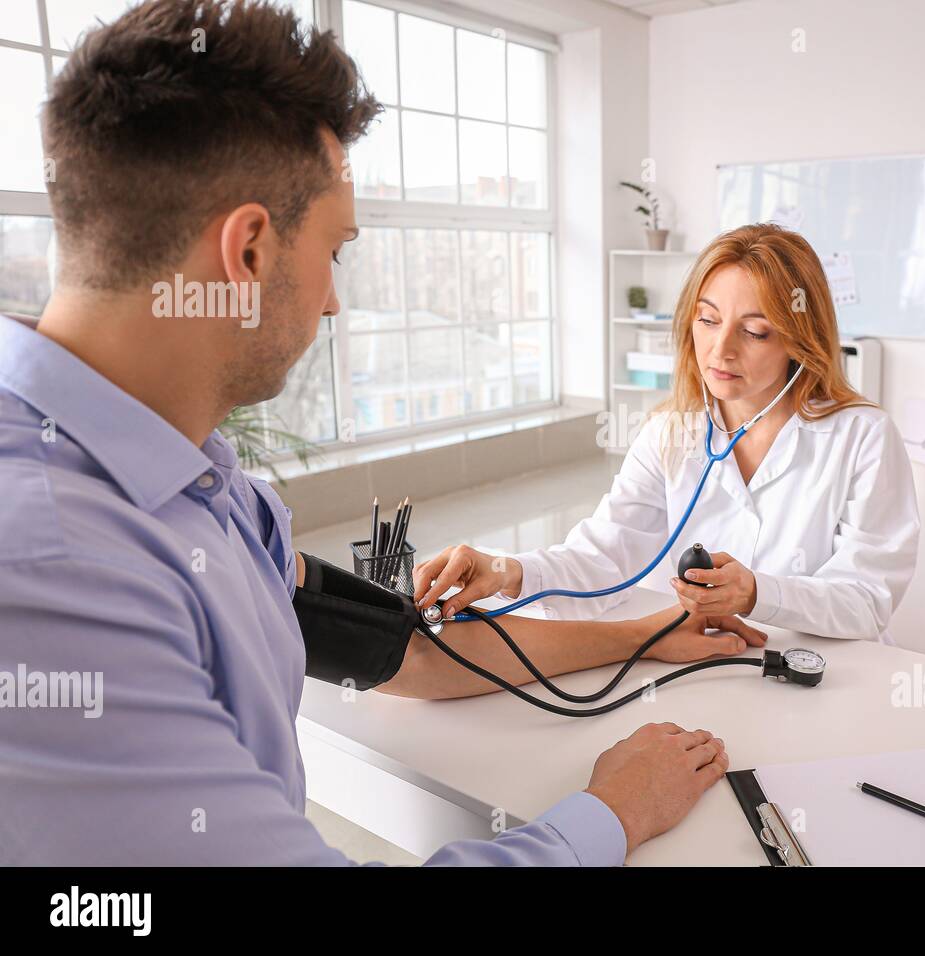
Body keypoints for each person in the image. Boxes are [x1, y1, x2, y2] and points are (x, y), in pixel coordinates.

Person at [0, 0, 760, 866]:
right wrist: (608, 815)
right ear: (246, 251)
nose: (332, 299)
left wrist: (643, 636)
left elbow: (410, 653)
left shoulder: (204, 483)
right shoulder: (47, 569)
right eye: (336, 250)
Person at [417, 224, 922, 643]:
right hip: (698, 665)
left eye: (754, 331)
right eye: (708, 319)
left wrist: (756, 594)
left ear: (800, 338)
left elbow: (866, 599)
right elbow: (604, 556)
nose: (720, 350)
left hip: (824, 677)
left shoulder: (864, 437)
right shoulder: (670, 433)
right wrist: (504, 570)